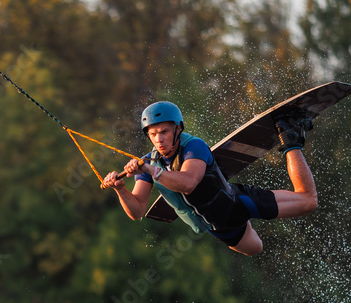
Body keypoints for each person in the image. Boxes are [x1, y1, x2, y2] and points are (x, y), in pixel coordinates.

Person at [101, 101, 318, 256]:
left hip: (236, 203)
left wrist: (151, 171)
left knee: (308, 202)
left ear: (178, 129)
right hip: (219, 227)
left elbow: (188, 183)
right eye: (153, 133)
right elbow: (137, 211)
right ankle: (251, 216)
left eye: (164, 132)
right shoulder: (149, 162)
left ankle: (290, 137)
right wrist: (121, 189)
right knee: (255, 249)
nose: (159, 139)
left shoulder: (194, 146)